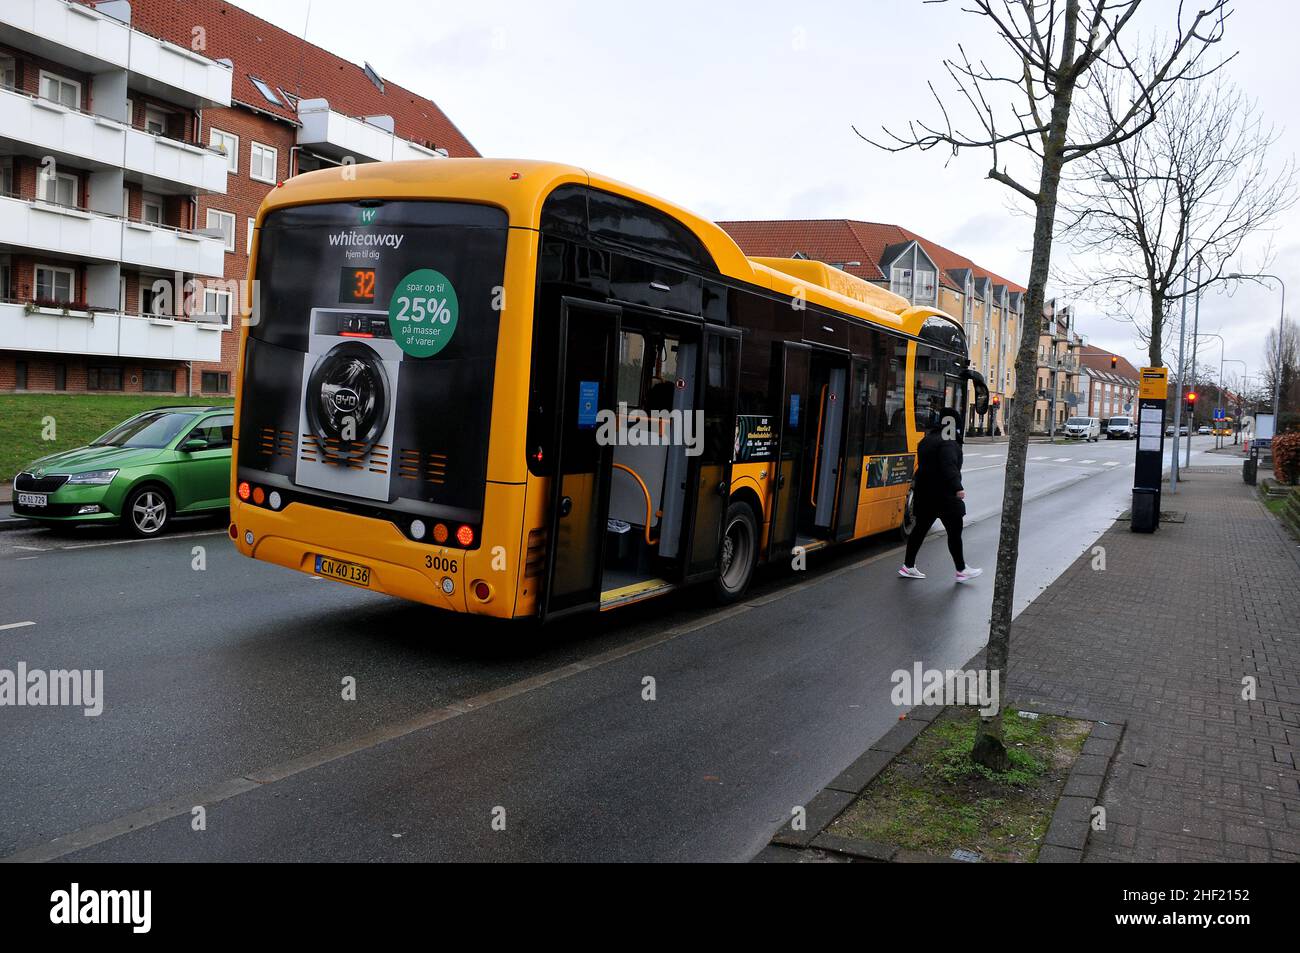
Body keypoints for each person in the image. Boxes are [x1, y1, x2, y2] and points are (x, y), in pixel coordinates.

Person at [898, 407, 982, 582]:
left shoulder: (927, 439)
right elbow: (948, 466)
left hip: (925, 494)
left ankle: (908, 566)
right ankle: (961, 569)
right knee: (954, 532)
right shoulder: (948, 442)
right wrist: (958, 487)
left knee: (919, 530)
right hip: (945, 496)